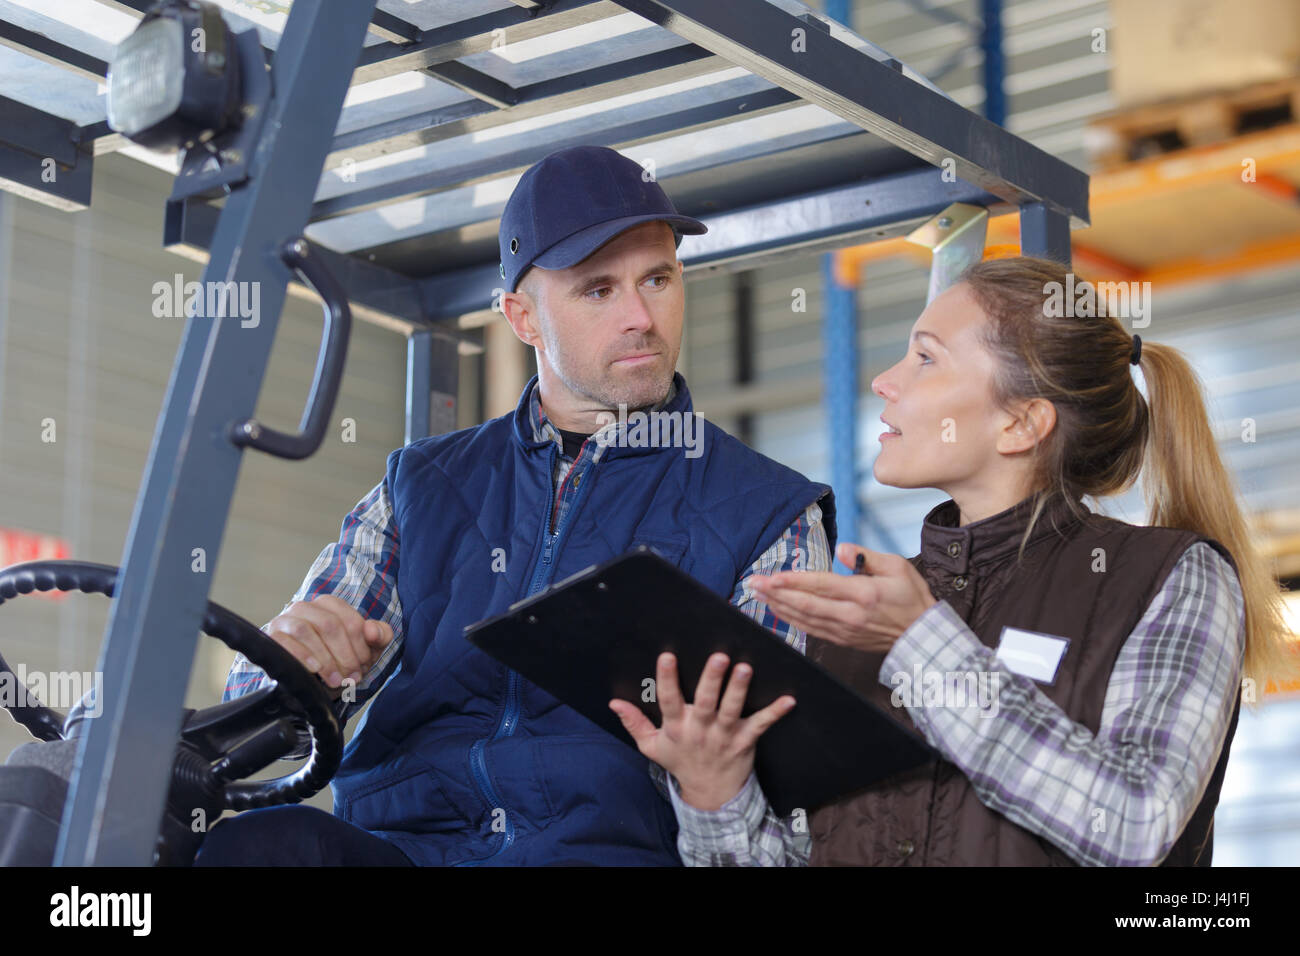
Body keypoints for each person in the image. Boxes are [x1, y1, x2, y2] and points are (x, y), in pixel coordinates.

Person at [191, 145, 836, 866]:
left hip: (603, 856)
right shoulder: (422, 487)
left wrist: (713, 782)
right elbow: (247, 727)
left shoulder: (769, 514)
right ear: (522, 317)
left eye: (658, 278)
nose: (641, 318)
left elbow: (780, 826)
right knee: (259, 848)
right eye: (598, 290)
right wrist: (293, 659)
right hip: (404, 850)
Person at [625, 254, 1300, 866]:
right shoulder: (864, 616)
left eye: (926, 358)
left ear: (1021, 423)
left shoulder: (1172, 578)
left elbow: (1134, 823)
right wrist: (717, 798)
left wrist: (922, 644)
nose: (886, 382)